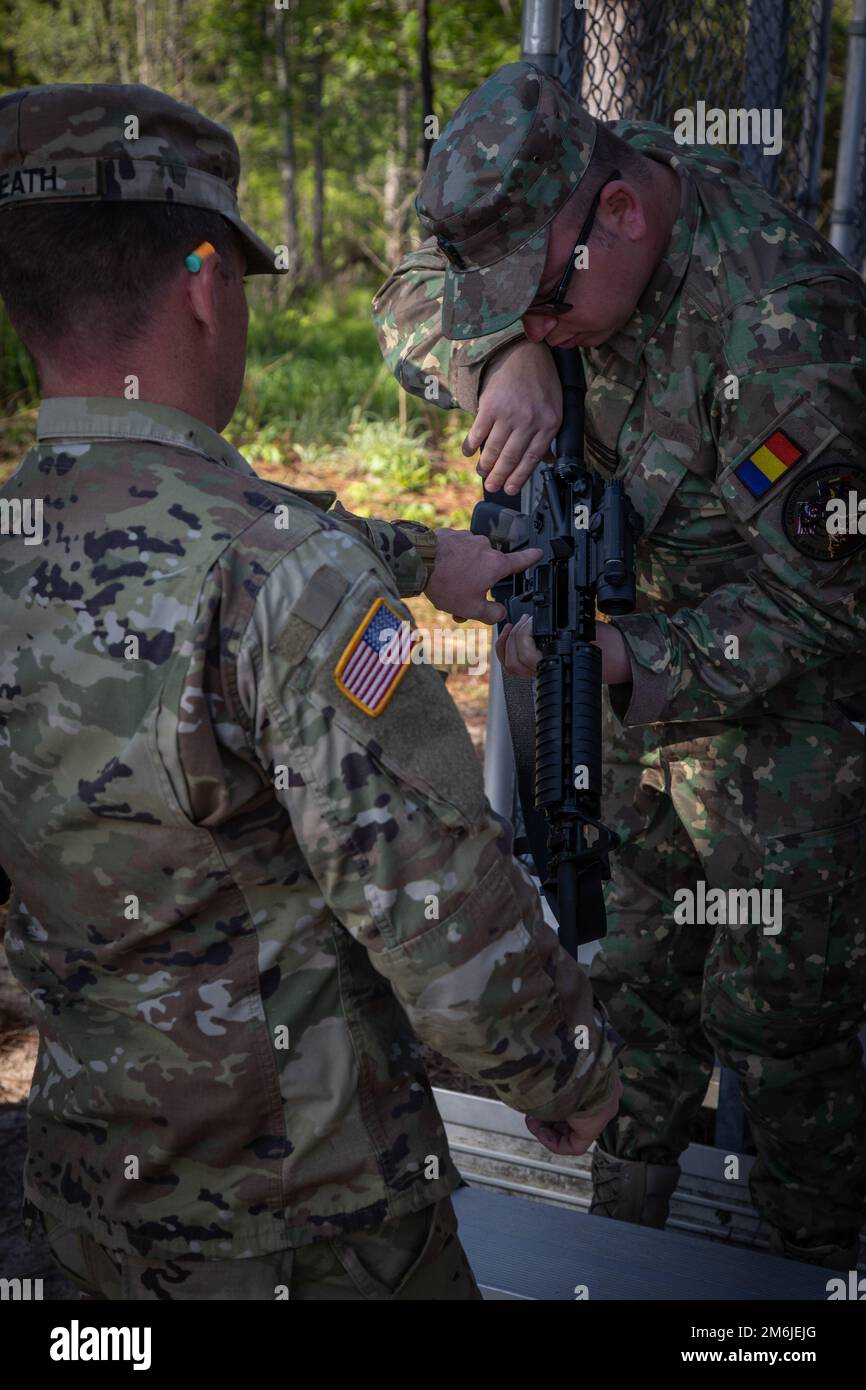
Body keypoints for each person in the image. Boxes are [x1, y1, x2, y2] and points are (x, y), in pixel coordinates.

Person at [0, 81, 622, 1301]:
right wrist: (571, 1073)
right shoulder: (289, 582)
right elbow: (439, 912)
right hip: (312, 1231)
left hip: (89, 1209)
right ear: (202, 283)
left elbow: (179, 580)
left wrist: (416, 556)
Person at [373, 60, 866, 1269]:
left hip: (780, 731)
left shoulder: (784, 326)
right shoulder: (564, 184)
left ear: (623, 218)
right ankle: (624, 1252)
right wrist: (501, 352)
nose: (531, 319)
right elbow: (404, 301)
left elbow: (832, 596)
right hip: (626, 690)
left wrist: (620, 652)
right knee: (631, 988)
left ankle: (816, 1256)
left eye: (539, 301)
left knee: (782, 1019)